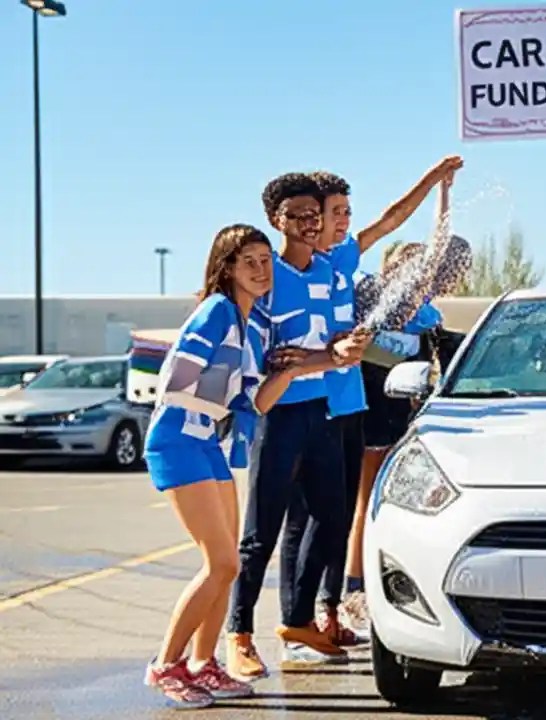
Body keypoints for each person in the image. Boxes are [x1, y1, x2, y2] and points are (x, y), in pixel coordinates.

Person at [142, 224, 332, 708]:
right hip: (179, 439)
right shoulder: (216, 312)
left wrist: (293, 369)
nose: (261, 268)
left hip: (207, 443)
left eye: (265, 259)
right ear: (226, 268)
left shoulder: (251, 324)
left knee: (227, 568)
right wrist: (233, 395)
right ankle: (167, 665)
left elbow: (258, 402)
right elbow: (176, 381)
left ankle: (205, 665)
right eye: (247, 260)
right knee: (222, 562)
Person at [277, 158, 461, 648]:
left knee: (333, 518)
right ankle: (290, 622)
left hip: (351, 408)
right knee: (300, 521)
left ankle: (328, 610)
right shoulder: (306, 276)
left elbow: (394, 218)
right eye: (334, 212)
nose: (341, 221)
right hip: (307, 408)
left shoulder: (346, 266)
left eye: (344, 212)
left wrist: (434, 181)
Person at [225, 174, 371, 679]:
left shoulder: (330, 269)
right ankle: (238, 634)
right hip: (279, 416)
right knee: (260, 533)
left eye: (316, 215)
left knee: (332, 519)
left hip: (322, 413)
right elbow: (273, 359)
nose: (311, 224)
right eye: (298, 217)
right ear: (276, 221)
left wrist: (339, 353)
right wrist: (322, 358)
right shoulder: (268, 277)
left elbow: (324, 350)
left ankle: (297, 622)